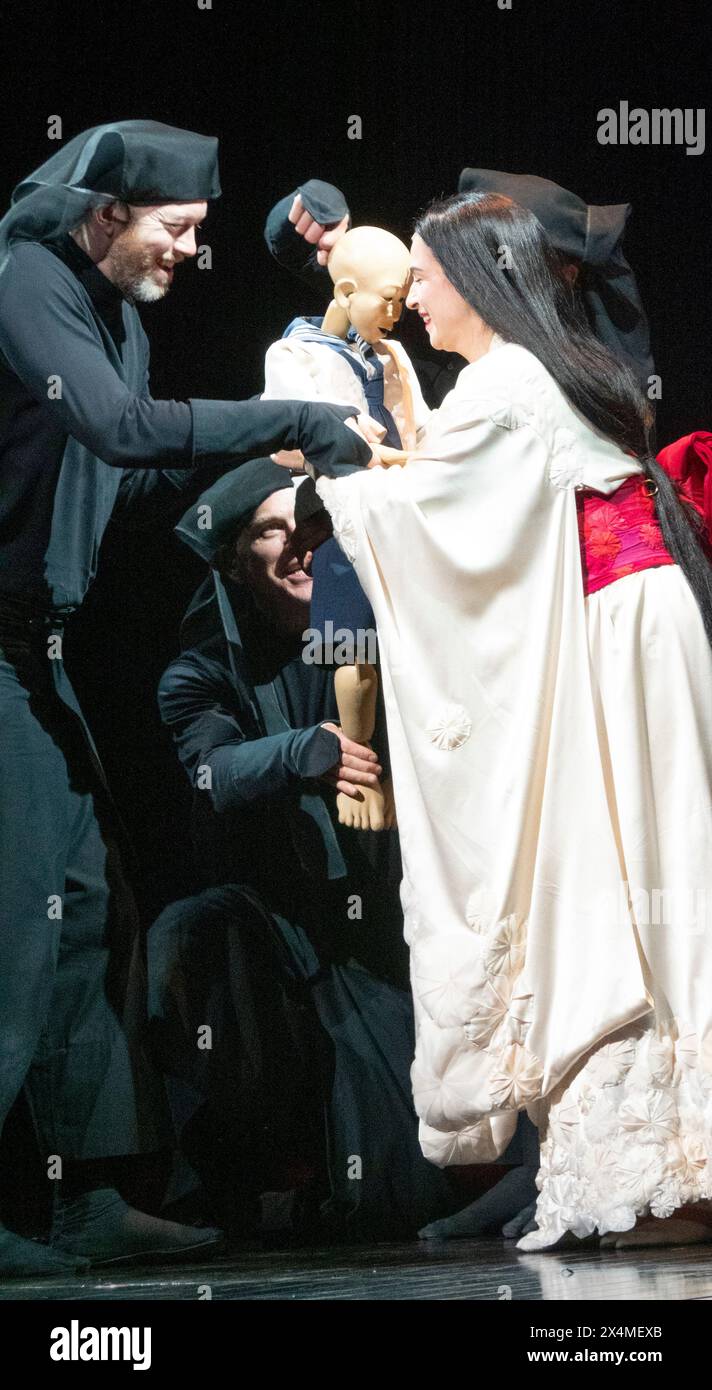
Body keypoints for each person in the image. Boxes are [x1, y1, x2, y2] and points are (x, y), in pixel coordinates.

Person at [283, 190, 712, 1251]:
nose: (416, 301)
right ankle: (676, 1159)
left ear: (481, 278)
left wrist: (326, 477)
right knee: (654, 882)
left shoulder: (508, 383)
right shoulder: (537, 373)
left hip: (613, 631)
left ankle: (667, 1162)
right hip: (633, 623)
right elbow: (466, 494)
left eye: (425, 278)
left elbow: (434, 521)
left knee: (625, 887)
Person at [0, 120, 370, 1277]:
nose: (186, 251)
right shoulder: (29, 280)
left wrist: (282, 473)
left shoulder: (114, 317)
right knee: (18, 921)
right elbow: (115, 426)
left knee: (84, 903)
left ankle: (85, 1198)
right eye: (173, 229)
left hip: (35, 648)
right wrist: (293, 420)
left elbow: (145, 470)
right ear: (105, 212)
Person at [150, 458, 453, 1239]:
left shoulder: (373, 637)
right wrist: (299, 752)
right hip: (274, 925)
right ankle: (212, 1183)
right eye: (268, 532)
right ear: (234, 562)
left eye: (306, 526)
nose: (296, 547)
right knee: (186, 931)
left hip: (378, 936)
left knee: (395, 1197)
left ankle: (298, 1202)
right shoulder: (200, 672)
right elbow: (214, 772)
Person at [263, 223, 428, 830]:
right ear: (347, 289)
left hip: (404, 502)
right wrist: (366, 453)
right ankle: (362, 778)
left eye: (403, 297)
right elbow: (285, 442)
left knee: (415, 637)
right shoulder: (295, 355)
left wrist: (423, 455)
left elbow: (416, 420)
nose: (397, 312)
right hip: (343, 510)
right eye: (385, 299)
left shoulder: (392, 354)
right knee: (352, 645)